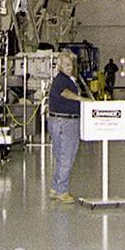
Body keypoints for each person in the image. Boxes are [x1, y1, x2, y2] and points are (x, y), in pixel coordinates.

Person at [48, 51, 88, 203]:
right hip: (66, 122)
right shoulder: (61, 80)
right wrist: (80, 99)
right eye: (66, 65)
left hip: (57, 120)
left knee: (60, 156)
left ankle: (55, 187)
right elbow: (64, 93)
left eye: (71, 64)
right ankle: (62, 191)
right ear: (59, 66)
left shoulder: (65, 78)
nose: (69, 67)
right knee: (67, 157)